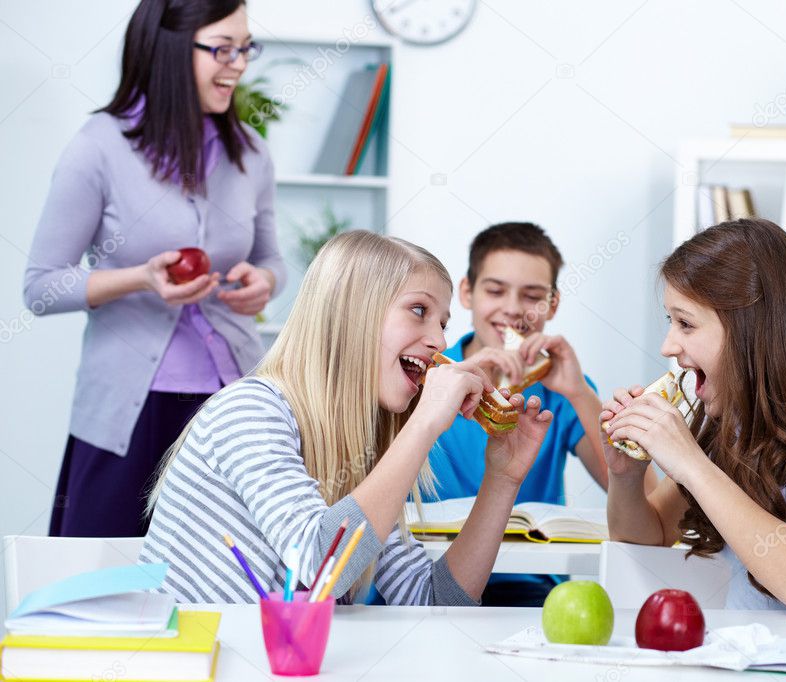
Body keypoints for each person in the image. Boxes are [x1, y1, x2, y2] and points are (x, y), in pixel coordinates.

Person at [140, 231, 553, 605]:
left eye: (443, 323)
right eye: (418, 310)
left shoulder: (367, 454)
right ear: (354, 314)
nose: (441, 341)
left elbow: (435, 603)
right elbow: (323, 570)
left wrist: (503, 479)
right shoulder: (249, 411)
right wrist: (425, 422)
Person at [23, 0, 285, 537]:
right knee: (102, 581)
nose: (238, 63)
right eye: (222, 48)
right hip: (128, 412)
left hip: (227, 402)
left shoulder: (250, 153)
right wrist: (142, 278)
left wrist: (266, 283)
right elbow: (41, 286)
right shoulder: (98, 147)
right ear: (168, 48)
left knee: (227, 578)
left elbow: (269, 259)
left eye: (245, 48)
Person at [603, 218, 786, 620]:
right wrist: (627, 475)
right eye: (670, 321)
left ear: (751, 331)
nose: (668, 346)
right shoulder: (732, 422)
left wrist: (691, 463)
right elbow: (647, 535)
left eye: (686, 323)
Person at [428, 222, 654, 607]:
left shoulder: (563, 390)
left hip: (529, 583)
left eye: (532, 296)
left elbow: (649, 497)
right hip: (429, 571)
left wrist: (580, 394)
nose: (514, 309)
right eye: (496, 291)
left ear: (552, 304)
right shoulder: (431, 374)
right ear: (467, 292)